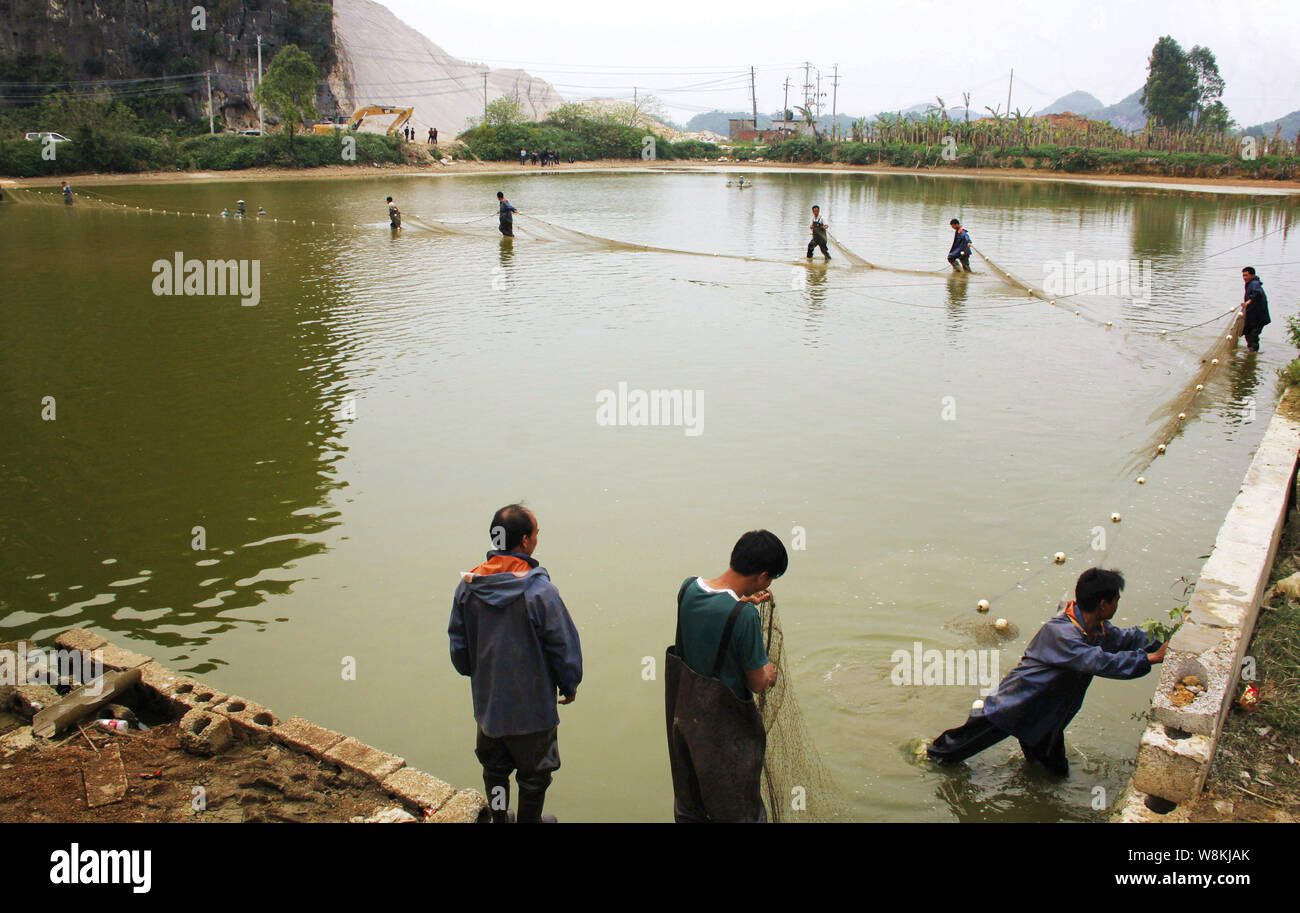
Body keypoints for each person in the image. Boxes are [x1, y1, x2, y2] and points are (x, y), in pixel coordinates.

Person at [927, 568, 1167, 776]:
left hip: (1047, 714)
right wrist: (1153, 658)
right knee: (945, 754)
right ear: (1103, 604)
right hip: (1016, 704)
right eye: (1116, 600)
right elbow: (1101, 662)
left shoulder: (1096, 628)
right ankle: (922, 757)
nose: (1117, 605)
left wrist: (1163, 638)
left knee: (1054, 774)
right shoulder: (1062, 634)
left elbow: (1124, 639)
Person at [449, 504, 582, 824]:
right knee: (534, 777)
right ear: (524, 541)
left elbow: (459, 647)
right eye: (536, 533)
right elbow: (562, 646)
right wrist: (569, 682)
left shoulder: (469, 587)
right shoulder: (540, 593)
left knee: (495, 771)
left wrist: (480, 673)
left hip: (490, 707)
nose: (537, 538)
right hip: (532, 711)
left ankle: (499, 818)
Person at [665, 530, 787, 823]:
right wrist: (769, 673)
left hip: (686, 724)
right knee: (739, 813)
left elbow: (712, 617)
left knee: (690, 807)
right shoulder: (743, 617)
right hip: (725, 736)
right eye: (770, 579)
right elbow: (757, 682)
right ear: (762, 576)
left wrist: (742, 601)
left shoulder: (689, 588)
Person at [1241, 266, 1271, 352]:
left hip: (1259, 317)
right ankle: (1250, 358)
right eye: (1243, 276)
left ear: (1252, 275)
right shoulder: (1250, 283)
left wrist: (1248, 302)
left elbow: (1257, 293)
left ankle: (1253, 352)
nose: (1244, 278)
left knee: (1253, 336)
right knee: (1247, 333)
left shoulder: (1254, 284)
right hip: (1252, 316)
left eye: (1246, 275)